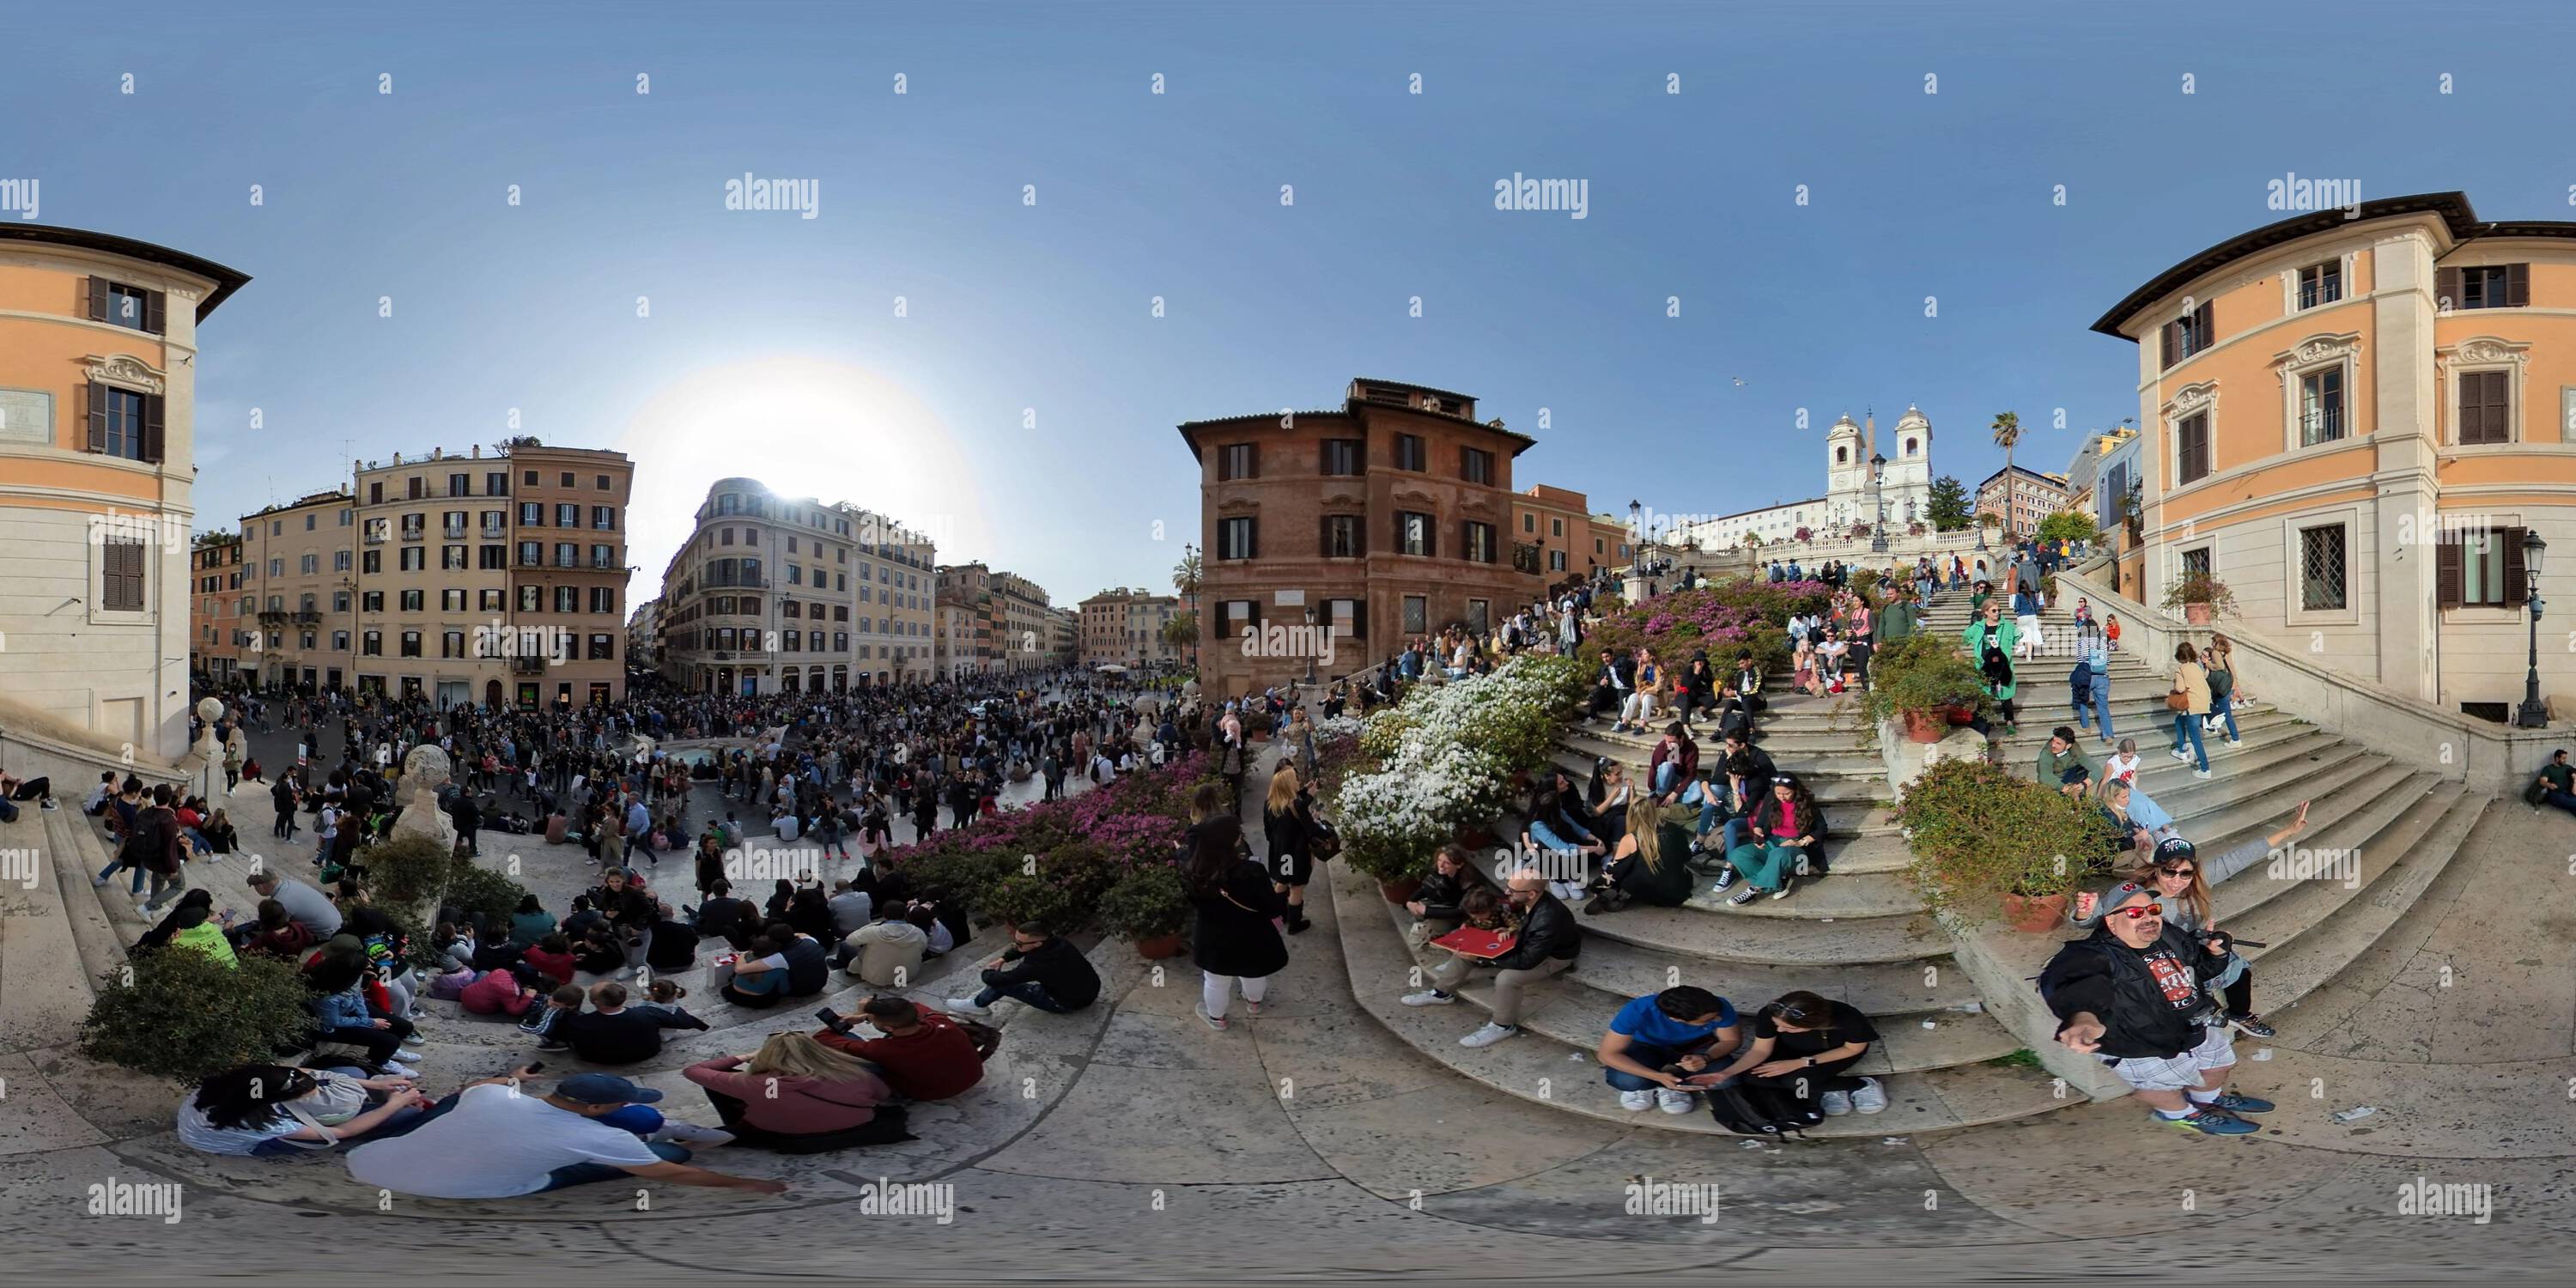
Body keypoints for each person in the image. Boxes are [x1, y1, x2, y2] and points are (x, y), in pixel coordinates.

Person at [2040, 884, 2275, 1136]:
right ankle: (2180, 1114)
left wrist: (2217, 955)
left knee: (2220, 1064)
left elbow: (2201, 969)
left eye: (2152, 910)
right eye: (2134, 913)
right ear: (2110, 921)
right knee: (2161, 1087)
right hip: (2141, 1042)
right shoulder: (2094, 955)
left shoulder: (2169, 935)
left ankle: (2207, 1099)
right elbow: (2077, 985)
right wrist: (2083, 1018)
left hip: (2196, 1024)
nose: (2148, 918)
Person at [2070, 803, 2312, 1040]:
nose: (2177, 880)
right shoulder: (2134, 893)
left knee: (2238, 967)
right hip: (2155, 964)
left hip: (2195, 951)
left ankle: (2240, 1015)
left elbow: (2239, 857)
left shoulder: (2198, 883)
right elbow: (2093, 922)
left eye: (2185, 873)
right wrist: (2085, 912)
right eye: (2169, 872)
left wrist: (2289, 831)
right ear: (2156, 869)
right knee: (2194, 1011)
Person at [345, 1069, 787, 1197]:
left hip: (375, 1164)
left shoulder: (489, 1098)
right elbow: (672, 1177)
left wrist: (516, 1079)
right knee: (676, 1159)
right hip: (481, 1189)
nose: (626, 1106)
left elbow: (478, 1087)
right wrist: (745, 1183)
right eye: (621, 1103)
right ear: (596, 1109)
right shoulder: (605, 1138)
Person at [1403, 868, 1582, 1048]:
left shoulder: (1547, 919)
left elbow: (1527, 961)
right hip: (1529, 941)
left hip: (1554, 956)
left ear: (1532, 893)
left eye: (1512, 891)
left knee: (1506, 979)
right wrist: (1511, 931)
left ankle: (1503, 1026)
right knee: (1467, 950)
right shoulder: (1531, 900)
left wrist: (1484, 960)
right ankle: (1441, 993)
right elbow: (1522, 924)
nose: (1506, 892)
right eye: (1508, 887)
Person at [683, 1034, 909, 1153]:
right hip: (856, 1125)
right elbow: (882, 1095)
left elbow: (692, 1071)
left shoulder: (756, 1083)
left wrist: (746, 1056)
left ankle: (734, 1124)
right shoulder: (852, 1071)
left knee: (719, 1080)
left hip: (782, 1131)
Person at [178, 1063, 432, 1157]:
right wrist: (393, 1105)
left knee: (352, 1073)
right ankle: (373, 1135)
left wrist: (368, 1083)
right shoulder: (264, 1122)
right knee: (404, 1115)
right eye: (303, 1093)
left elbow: (296, 1072)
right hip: (236, 1142)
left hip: (215, 1122)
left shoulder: (240, 1083)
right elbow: (337, 1132)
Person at [1701, 990, 1887, 1117]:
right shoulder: (1769, 1014)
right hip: (1790, 1050)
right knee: (1754, 1077)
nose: (1780, 1030)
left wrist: (1800, 1063)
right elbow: (1760, 1050)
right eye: (1777, 1024)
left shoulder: (1849, 1018)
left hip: (1834, 1053)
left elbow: (1853, 1049)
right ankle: (1826, 1087)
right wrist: (1726, 1073)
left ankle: (1862, 1085)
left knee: (1798, 1084)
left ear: (1814, 1026)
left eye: (1788, 1027)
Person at [1185, 811, 1289, 1030]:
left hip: (1213, 935)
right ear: (1232, 841)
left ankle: (1217, 1019)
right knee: (1253, 971)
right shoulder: (1252, 871)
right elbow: (1271, 908)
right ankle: (1253, 1003)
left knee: (1215, 980)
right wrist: (1280, 894)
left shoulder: (1195, 871)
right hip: (1251, 934)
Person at [1597, 986, 1742, 1115]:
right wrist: (1656, 1076)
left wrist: (1706, 1057)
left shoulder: (1718, 1006)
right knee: (1628, 1081)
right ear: (1676, 1019)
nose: (1717, 1019)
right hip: (1645, 1046)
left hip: (1694, 1047)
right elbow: (1607, 1054)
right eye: (1707, 1020)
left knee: (1727, 1078)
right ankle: (1654, 1083)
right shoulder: (1638, 1009)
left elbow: (1731, 1040)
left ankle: (1677, 1085)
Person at [817, 996, 988, 1102]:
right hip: (973, 1076)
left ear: (889, 1028)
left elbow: (822, 1038)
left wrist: (848, 1021)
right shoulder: (941, 1022)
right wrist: (868, 1014)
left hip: (929, 1093)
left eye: (872, 1020)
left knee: (850, 1048)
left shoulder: (882, 1049)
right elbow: (912, 1005)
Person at [948, 920, 1101, 1018]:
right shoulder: (1058, 942)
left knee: (1004, 984)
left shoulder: (1037, 965)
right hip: (1090, 990)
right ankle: (978, 1003)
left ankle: (977, 1005)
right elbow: (1021, 950)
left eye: (1019, 943)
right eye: (1015, 941)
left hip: (1067, 1002)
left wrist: (988, 971)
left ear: (1037, 944)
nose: (1015, 945)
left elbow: (1000, 979)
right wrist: (1004, 959)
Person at [1716, 775, 1826, 905]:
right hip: (1772, 841)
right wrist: (1758, 835)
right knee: (1737, 854)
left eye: (1787, 793)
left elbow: (1822, 828)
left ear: (1795, 790)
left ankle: (1754, 889)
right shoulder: (1771, 798)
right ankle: (1778, 881)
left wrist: (1800, 842)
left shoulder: (1807, 802)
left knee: (1778, 853)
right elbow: (1760, 823)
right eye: (1778, 793)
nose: (1782, 797)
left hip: (1797, 849)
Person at [1585, 794, 1694, 914]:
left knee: (1627, 868)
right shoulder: (1675, 829)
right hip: (1677, 890)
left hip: (1646, 889)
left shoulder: (1630, 839)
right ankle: (1621, 893)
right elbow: (1687, 856)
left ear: (1630, 815)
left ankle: (1620, 892)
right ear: (1654, 810)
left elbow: (1614, 871)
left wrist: (1596, 887)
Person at [560, 981, 710, 1065]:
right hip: (647, 1053)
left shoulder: (579, 1023)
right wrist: (700, 1025)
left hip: (598, 1059)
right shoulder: (648, 1015)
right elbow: (679, 1019)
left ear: (595, 1002)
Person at [1262, 765, 1320, 935]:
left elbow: (1293, 805)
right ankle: (1295, 923)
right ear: (1288, 785)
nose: (1298, 781)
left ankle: (1278, 919)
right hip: (1296, 854)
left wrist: (1304, 793)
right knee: (1297, 887)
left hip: (1282, 853)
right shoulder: (1295, 806)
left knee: (1282, 882)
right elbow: (1310, 827)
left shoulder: (1271, 804)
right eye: (1295, 779)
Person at [1963, 599, 2020, 732]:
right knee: (1984, 694)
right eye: (1994, 610)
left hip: (2002, 666)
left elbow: (2019, 636)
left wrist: (2020, 644)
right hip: (1984, 666)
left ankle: (2009, 722)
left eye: (1999, 610)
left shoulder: (2007, 625)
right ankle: (1982, 722)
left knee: (2005, 695)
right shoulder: (1978, 627)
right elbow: (1965, 638)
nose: (1997, 613)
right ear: (1986, 612)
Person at [248, 869, 343, 942]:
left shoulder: (281, 902)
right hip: (337, 920)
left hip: (325, 934)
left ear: (261, 887)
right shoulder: (290, 884)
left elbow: (276, 928)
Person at [2170, 641, 2214, 779]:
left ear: (2179, 655)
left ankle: (2205, 769)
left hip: (2192, 704)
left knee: (2195, 738)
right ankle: (2182, 748)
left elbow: (2180, 689)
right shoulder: (2196, 666)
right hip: (2203, 702)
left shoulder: (2180, 669)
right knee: (2179, 720)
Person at [2073, 620, 2115, 744]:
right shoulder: (2102, 641)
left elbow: (2080, 659)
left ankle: (2086, 727)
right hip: (2102, 677)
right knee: (2103, 707)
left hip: (2087, 676)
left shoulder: (2082, 642)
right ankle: (2108, 735)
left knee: (2082, 700)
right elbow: (2107, 661)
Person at [2203, 634, 2244, 747]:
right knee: (2214, 705)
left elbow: (2219, 666)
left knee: (2226, 714)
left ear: (2216, 642)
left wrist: (2208, 664)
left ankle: (2236, 739)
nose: (2211, 643)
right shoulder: (2227, 652)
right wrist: (2236, 683)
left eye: (2213, 641)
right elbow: (2231, 668)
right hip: (2229, 684)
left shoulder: (2216, 652)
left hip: (2222, 687)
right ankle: (2213, 726)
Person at [2038, 726, 2092, 798]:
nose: (2053, 745)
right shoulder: (2046, 754)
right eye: (2053, 741)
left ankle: (2079, 797)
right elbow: (2045, 776)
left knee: (2082, 769)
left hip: (2070, 774)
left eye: (2058, 743)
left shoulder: (2074, 748)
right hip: (2057, 779)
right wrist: (2063, 787)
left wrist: (2083, 784)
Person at [2535, 749, 2576, 817]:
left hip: (2568, 792)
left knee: (2573, 803)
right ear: (2557, 758)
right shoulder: (2548, 769)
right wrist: (2549, 785)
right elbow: (2542, 781)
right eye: (2563, 758)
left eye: (2566, 758)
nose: (2565, 760)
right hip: (2555, 794)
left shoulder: (2568, 767)